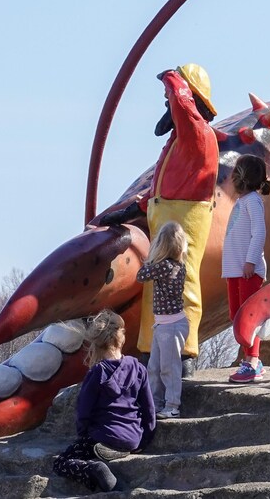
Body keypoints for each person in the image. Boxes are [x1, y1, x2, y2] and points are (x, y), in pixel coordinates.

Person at [101, 64, 220, 368]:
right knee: (157, 282)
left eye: (169, 98)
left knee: (183, 279)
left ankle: (185, 350)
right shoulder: (182, 141)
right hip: (167, 213)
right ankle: (151, 348)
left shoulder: (198, 134)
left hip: (185, 217)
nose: (167, 103)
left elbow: (181, 103)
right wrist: (137, 209)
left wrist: (170, 76)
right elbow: (169, 185)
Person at [53, 310, 155, 493]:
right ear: (121, 338)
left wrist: (83, 435)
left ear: (98, 341)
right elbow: (149, 410)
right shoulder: (139, 368)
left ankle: (94, 469)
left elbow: (83, 411)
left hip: (104, 436)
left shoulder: (97, 372)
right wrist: (143, 441)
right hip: (133, 438)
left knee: (60, 463)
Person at [222, 154, 270, 383]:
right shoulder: (242, 202)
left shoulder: (253, 200)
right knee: (236, 316)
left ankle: (253, 361)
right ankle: (249, 360)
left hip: (248, 270)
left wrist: (251, 261)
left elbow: (259, 232)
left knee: (248, 316)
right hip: (235, 270)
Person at [137, 221, 189, 419]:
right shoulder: (178, 265)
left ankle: (172, 405)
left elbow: (140, 276)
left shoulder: (163, 266)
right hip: (165, 324)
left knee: (168, 367)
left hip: (170, 325)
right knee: (155, 367)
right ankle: (156, 403)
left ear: (162, 245)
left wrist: (150, 259)